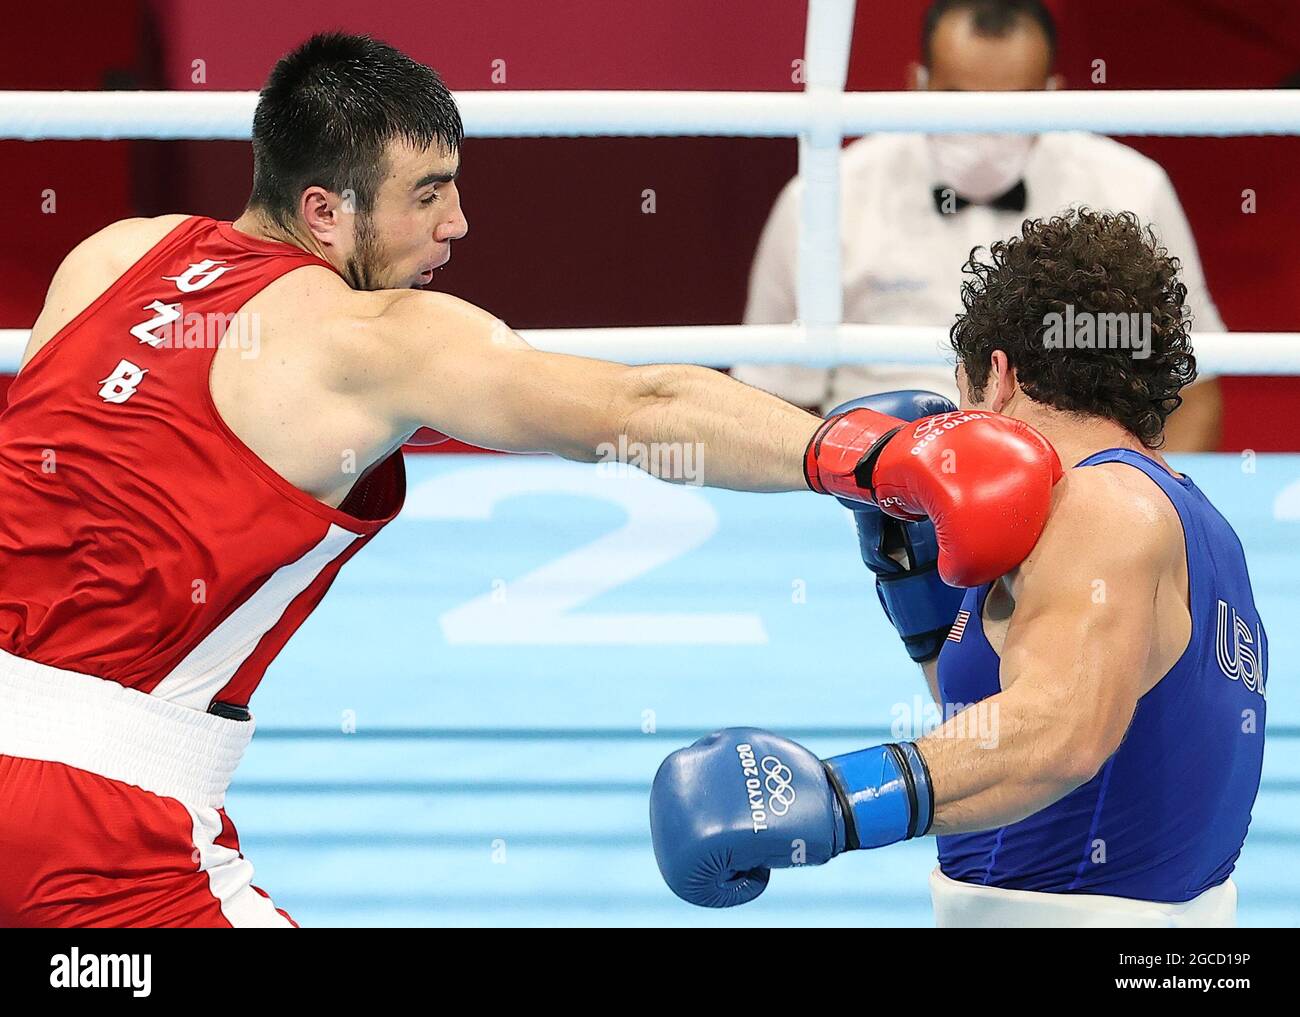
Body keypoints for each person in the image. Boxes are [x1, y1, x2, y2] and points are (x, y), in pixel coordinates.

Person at [0, 32, 1057, 928]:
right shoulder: (372, 339)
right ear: (324, 213)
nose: (456, 225)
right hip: (94, 816)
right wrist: (863, 456)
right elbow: (637, 412)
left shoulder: (110, 258)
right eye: (425, 197)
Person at [651, 209, 1267, 927]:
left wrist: (838, 797)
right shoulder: (1196, 524)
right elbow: (1030, 717)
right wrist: (924, 607)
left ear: (997, 376)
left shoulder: (1100, 508)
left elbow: (1059, 733)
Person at [734, 0, 1226, 451]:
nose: (985, 128)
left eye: (1013, 105)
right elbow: (773, 399)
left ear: (1053, 95)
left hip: (1082, 492)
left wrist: (1138, 508)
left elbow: (1194, 395)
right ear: (917, 85)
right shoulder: (824, 197)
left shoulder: (1132, 190)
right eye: (960, 99)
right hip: (877, 489)